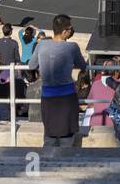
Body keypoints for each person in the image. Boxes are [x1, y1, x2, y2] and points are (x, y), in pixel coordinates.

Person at [28, 14, 88, 146]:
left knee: (49, 136)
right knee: (67, 138)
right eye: (70, 29)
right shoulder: (72, 47)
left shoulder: (41, 45)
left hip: (48, 96)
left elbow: (31, 65)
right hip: (66, 97)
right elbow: (83, 65)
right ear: (65, 31)